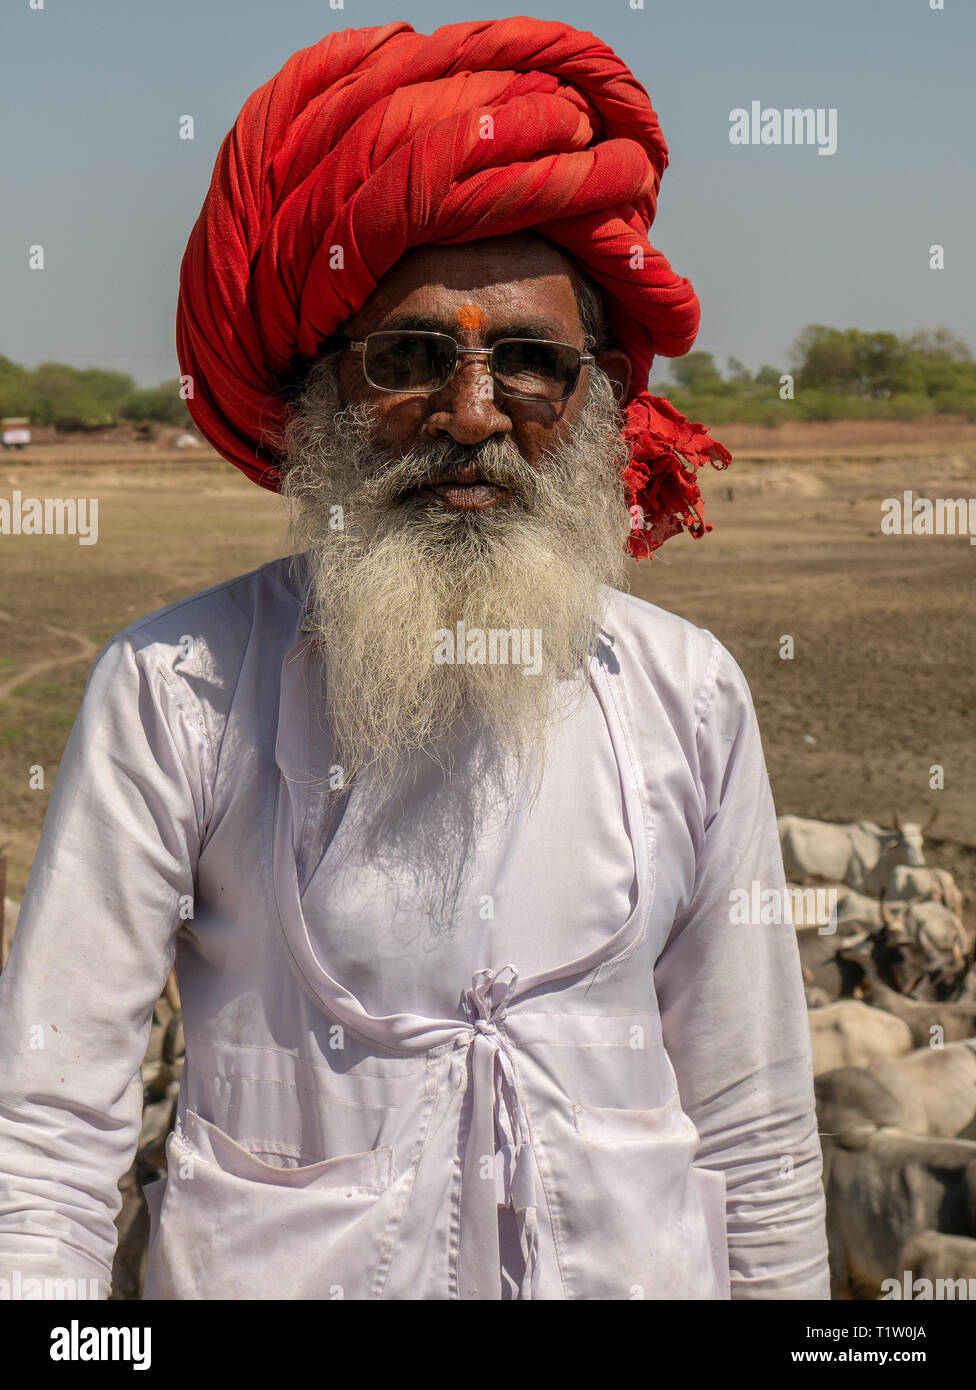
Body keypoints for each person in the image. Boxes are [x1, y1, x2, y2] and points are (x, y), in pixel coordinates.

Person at [0, 17, 829, 1300]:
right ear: (314, 390)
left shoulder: (690, 696)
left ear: (594, 394)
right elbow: (46, 1138)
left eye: (530, 364)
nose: (471, 415)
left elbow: (755, 1124)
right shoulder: (172, 690)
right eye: (410, 358)